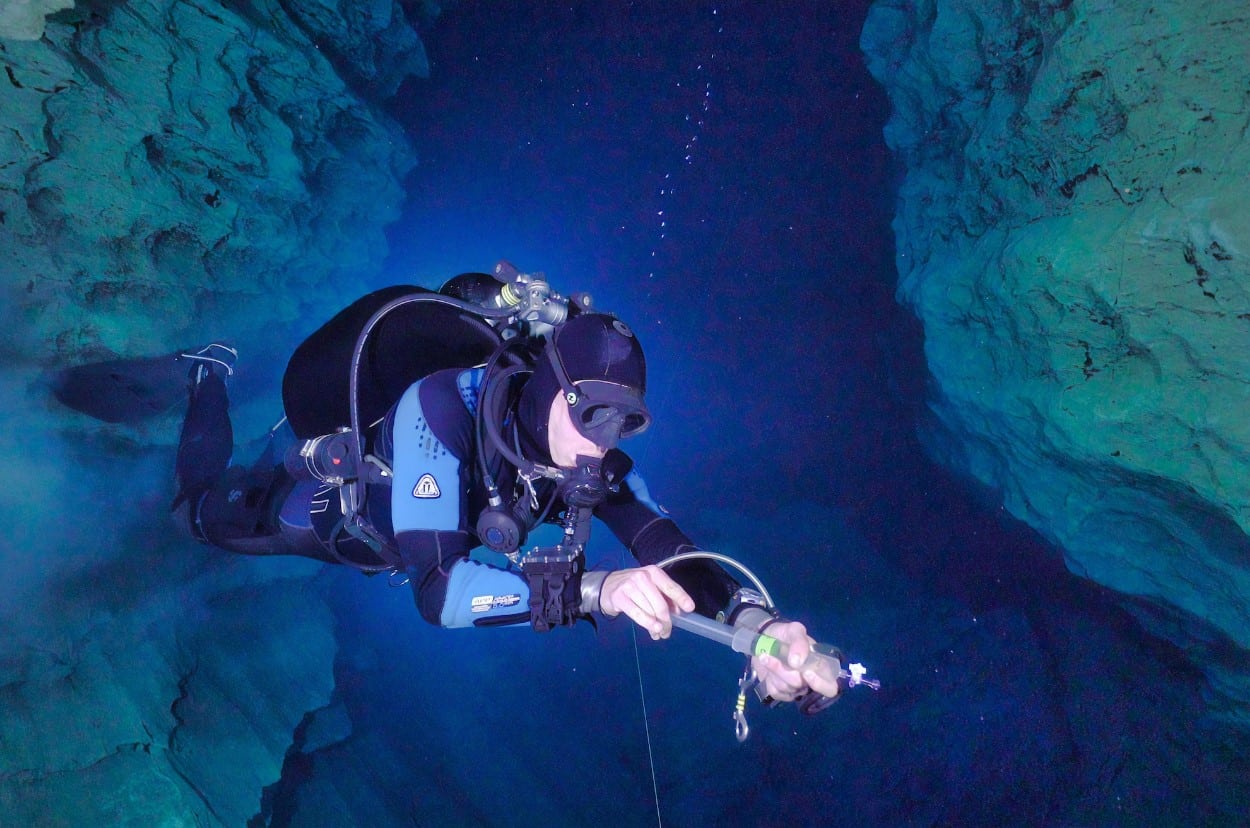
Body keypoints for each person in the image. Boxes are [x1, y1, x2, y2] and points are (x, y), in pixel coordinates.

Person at [56, 264, 839, 712]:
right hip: (338, 512)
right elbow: (438, 592)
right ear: (546, 390)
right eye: (592, 412)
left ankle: (245, 408)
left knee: (261, 470)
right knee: (197, 515)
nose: (603, 442)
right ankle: (208, 373)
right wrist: (602, 592)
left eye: (625, 423)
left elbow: (666, 548)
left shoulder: (590, 464)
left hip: (384, 526)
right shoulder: (441, 404)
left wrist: (759, 626)